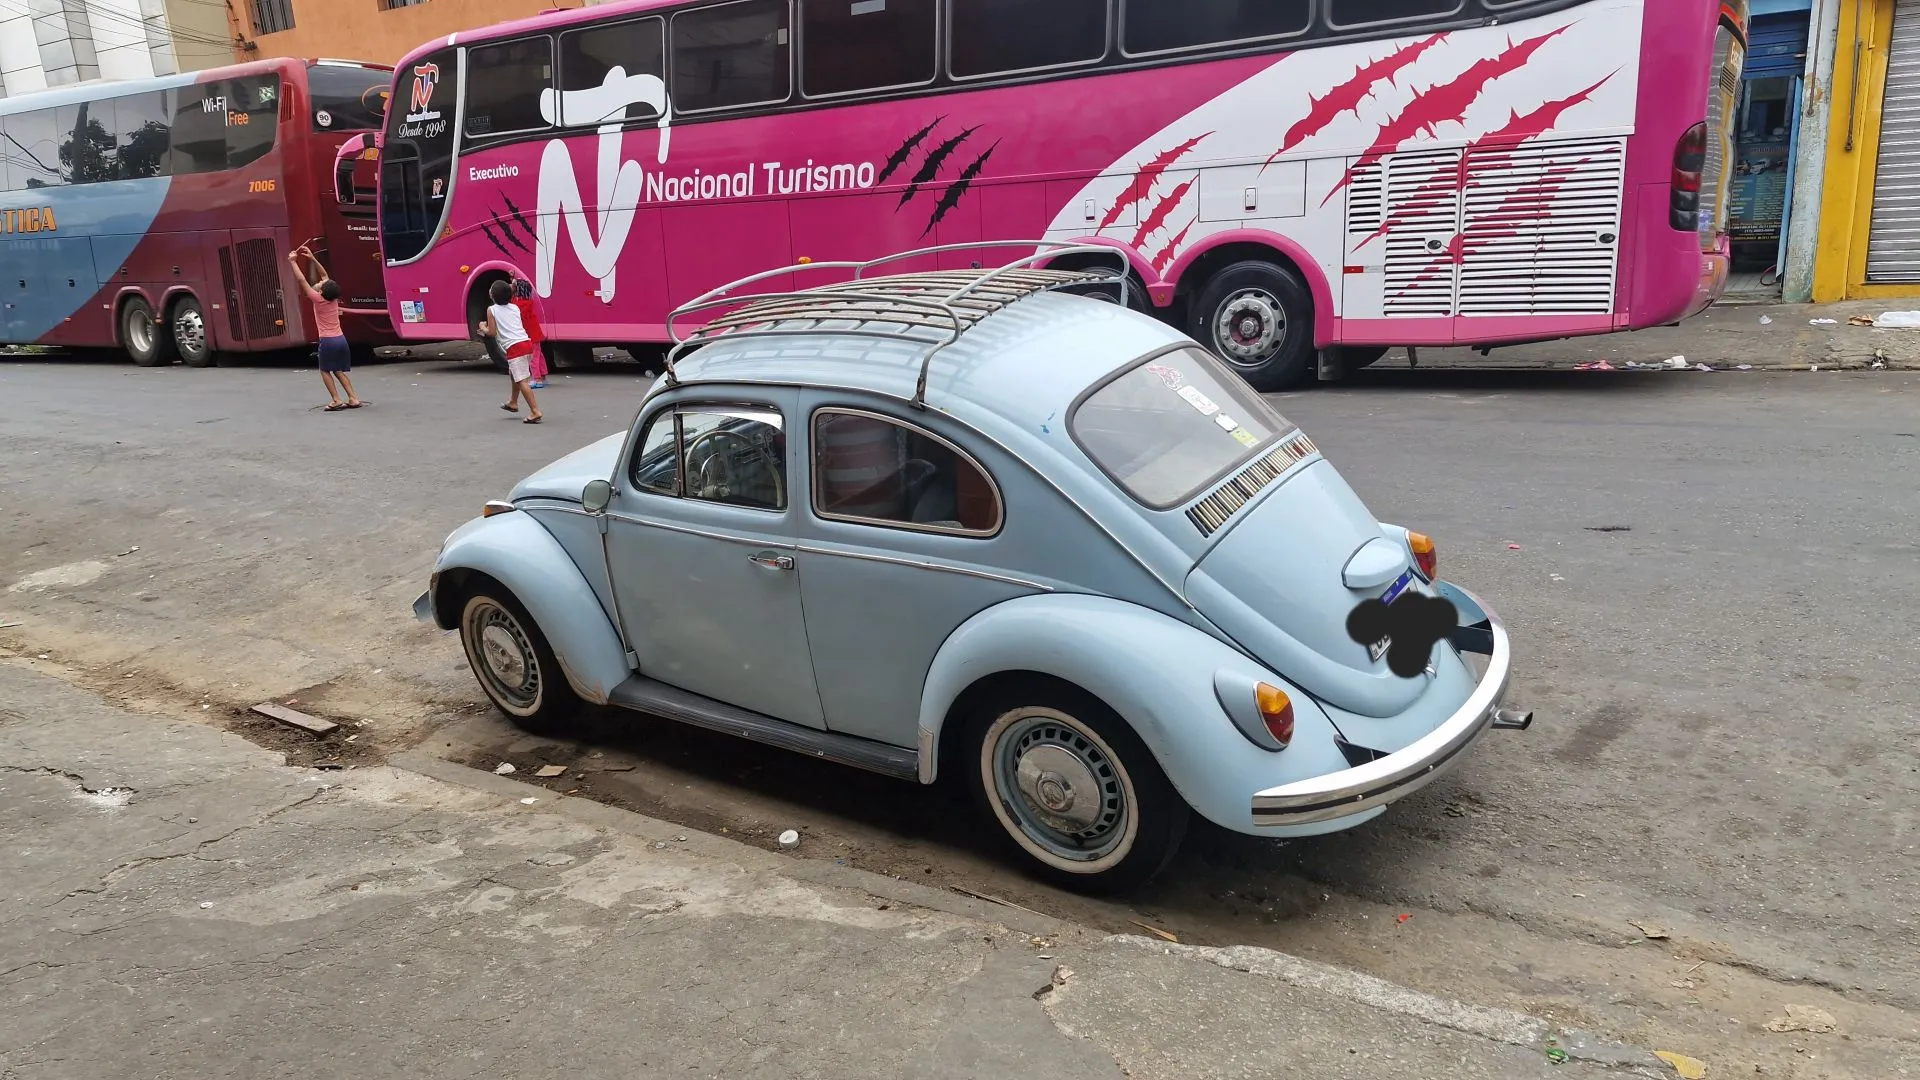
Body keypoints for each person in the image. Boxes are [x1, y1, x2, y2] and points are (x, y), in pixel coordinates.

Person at [288, 246, 361, 411]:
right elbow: (324, 275)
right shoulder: (332, 298)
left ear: (320, 291)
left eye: (320, 283)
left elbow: (301, 281)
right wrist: (312, 259)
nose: (320, 281)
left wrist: (293, 262)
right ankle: (353, 398)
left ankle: (336, 399)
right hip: (341, 339)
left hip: (328, 340)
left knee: (324, 370)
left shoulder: (318, 299)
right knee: (339, 370)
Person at [476, 279, 542, 424]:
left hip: (515, 348)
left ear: (491, 295)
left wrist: (483, 327)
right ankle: (513, 402)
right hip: (526, 343)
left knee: (522, 380)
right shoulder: (514, 307)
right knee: (514, 374)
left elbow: (492, 332)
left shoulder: (491, 310)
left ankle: (535, 411)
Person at [512, 278, 549, 388]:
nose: (510, 286)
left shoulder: (518, 304)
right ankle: (543, 376)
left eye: (513, 285)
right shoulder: (526, 301)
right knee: (539, 356)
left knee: (533, 358)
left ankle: (536, 379)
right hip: (535, 334)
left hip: (530, 335)